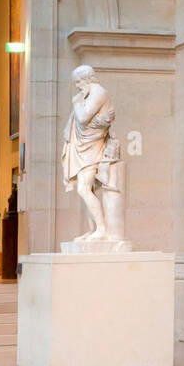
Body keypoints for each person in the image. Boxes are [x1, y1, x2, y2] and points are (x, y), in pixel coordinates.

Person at [61, 65, 120, 242]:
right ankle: (94, 228)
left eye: (79, 81)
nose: (78, 86)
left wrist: (77, 103)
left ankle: (102, 229)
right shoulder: (88, 94)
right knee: (88, 189)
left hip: (92, 145)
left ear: (87, 78)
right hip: (84, 144)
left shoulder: (99, 93)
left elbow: (84, 117)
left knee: (84, 188)